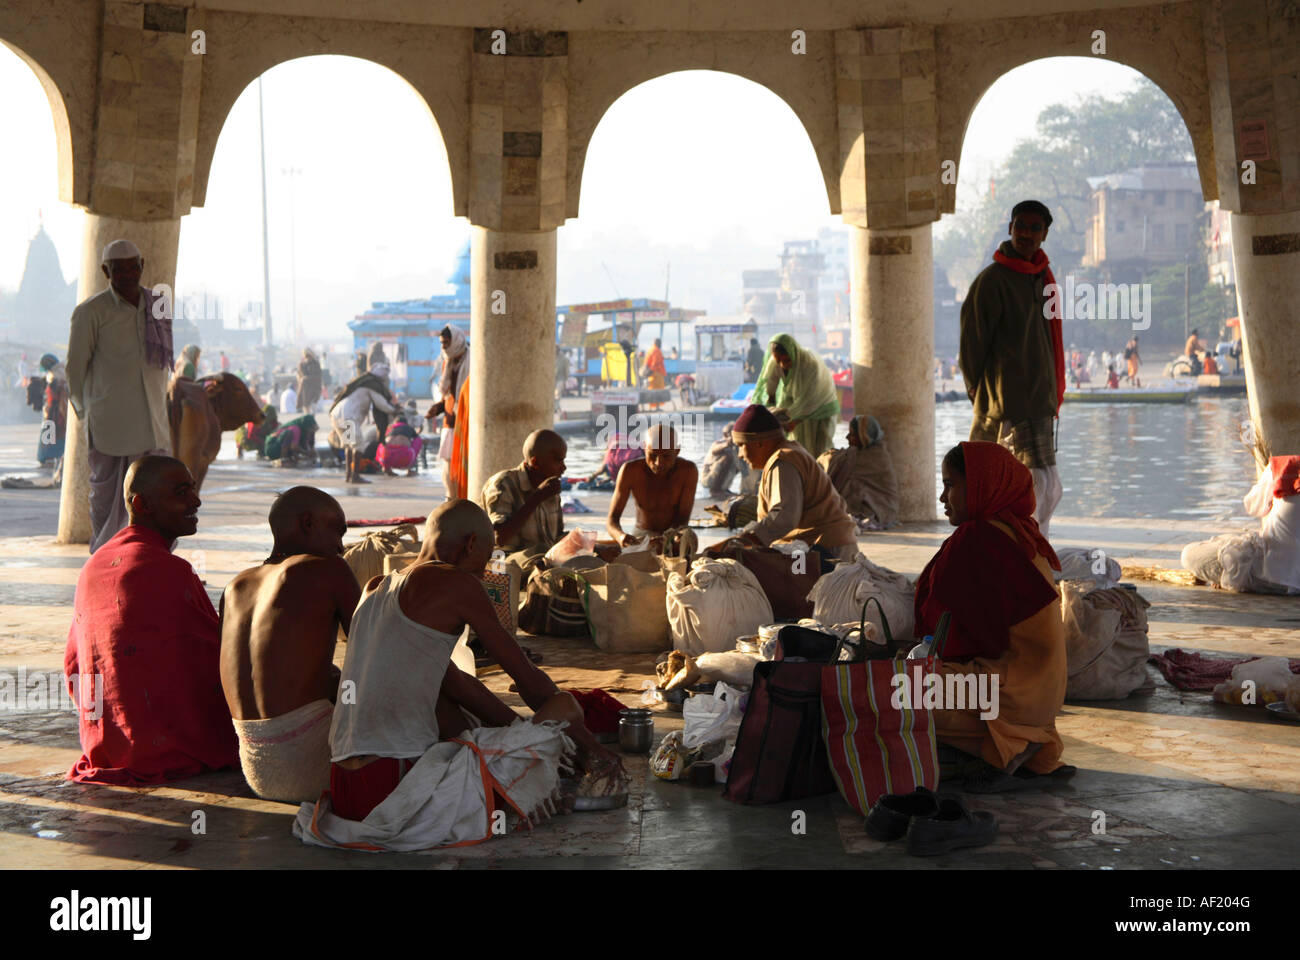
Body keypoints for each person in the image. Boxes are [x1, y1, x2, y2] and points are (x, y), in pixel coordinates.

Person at [323, 500, 623, 826]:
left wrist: (522, 733)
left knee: (459, 713)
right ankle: (518, 790)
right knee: (565, 707)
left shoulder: (375, 588)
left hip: (348, 790)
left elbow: (459, 685)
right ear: (470, 544)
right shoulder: (456, 582)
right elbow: (528, 680)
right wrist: (582, 744)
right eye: (487, 555)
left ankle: (519, 767)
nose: (485, 569)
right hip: (395, 784)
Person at [64, 455, 238, 784]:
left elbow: (74, 665)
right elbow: (217, 662)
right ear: (142, 504)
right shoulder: (171, 571)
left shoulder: (95, 565)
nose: (195, 501)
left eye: (193, 490)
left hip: (107, 745)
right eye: (181, 492)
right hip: (168, 748)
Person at [915, 441, 1072, 792]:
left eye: (951, 485)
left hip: (1010, 696)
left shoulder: (978, 540)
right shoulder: (1018, 531)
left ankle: (1001, 746)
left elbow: (959, 641)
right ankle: (1014, 742)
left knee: (894, 694)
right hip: (1040, 698)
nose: (943, 498)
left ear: (982, 485)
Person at [220, 487, 360, 803]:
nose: (340, 547)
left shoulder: (235, 586)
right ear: (307, 523)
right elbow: (375, 648)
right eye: (337, 532)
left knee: (335, 674)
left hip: (256, 771)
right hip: (315, 769)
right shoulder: (328, 568)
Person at [958, 199, 1065, 537]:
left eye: (1035, 228)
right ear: (1009, 228)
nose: (1026, 234)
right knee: (999, 483)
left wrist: (1053, 390)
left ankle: (1033, 548)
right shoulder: (992, 281)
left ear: (1045, 234)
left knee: (1044, 485)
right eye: (1021, 225)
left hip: (1039, 401)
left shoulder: (1044, 278)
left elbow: (1051, 340)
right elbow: (972, 343)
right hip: (1004, 403)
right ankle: (998, 549)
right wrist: (978, 391)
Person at [66, 239, 173, 553]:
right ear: (105, 271)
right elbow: (74, 369)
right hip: (110, 426)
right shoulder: (90, 312)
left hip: (154, 423)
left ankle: (153, 560)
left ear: (141, 266)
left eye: (132, 267)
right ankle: (106, 561)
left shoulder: (158, 304)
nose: (127, 274)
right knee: (107, 500)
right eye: (118, 269)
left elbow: (164, 361)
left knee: (159, 498)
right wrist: (87, 416)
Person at [725, 404, 858, 563]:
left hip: (825, 552)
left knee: (801, 585)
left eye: (741, 445)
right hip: (821, 546)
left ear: (760, 443)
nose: (740, 455)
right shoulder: (790, 452)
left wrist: (743, 540)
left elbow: (784, 517)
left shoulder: (783, 462)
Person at [1180, 456, 1300, 595]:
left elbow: (1252, 506)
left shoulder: (1284, 466)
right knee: (1230, 542)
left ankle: (1226, 575)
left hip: (1271, 578)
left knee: (1189, 554)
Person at [479, 428, 568, 570]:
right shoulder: (503, 484)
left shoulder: (550, 489)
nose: (564, 468)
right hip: (503, 564)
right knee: (541, 556)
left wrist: (591, 547)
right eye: (558, 461)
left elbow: (556, 538)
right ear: (535, 462)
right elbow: (499, 538)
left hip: (544, 560)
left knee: (587, 562)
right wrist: (537, 498)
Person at [605, 423, 698, 548]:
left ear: (677, 451)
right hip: (642, 535)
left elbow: (683, 520)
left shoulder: (688, 471)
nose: (658, 463)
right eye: (653, 455)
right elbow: (611, 521)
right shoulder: (629, 470)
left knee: (689, 540)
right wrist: (621, 536)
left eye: (666, 456)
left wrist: (674, 537)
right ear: (644, 448)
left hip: (673, 535)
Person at [750, 333, 840, 459]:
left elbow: (810, 400)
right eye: (778, 360)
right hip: (796, 407)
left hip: (822, 406)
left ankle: (824, 478)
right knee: (801, 450)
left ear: (793, 354)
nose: (782, 365)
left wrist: (791, 422)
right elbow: (770, 387)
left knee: (822, 452)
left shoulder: (809, 364)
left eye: (786, 360)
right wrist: (770, 414)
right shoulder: (775, 362)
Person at [817, 414, 900, 530]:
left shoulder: (874, 457)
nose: (847, 437)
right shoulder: (856, 454)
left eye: (852, 434)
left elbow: (839, 460)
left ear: (864, 436)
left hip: (879, 511)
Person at [330, 364, 396, 484]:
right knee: (359, 446)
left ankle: (348, 474)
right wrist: (395, 410)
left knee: (349, 445)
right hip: (348, 417)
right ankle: (355, 476)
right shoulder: (372, 386)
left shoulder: (360, 384)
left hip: (338, 414)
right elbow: (382, 405)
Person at [427, 325, 470, 500]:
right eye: (441, 343)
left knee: (464, 463)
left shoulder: (471, 361)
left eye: (446, 343)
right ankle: (451, 499)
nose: (443, 347)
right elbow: (448, 395)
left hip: (466, 419)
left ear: (456, 341)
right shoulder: (448, 362)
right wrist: (437, 409)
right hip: (450, 420)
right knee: (448, 465)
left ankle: (463, 500)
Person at [36, 354, 68, 474]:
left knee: (50, 435)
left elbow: (56, 393)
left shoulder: (55, 374)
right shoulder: (61, 370)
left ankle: (49, 460)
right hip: (57, 410)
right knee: (56, 435)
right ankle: (55, 459)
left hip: (54, 411)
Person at [702, 420, 744, 498]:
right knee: (728, 457)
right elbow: (715, 450)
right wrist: (727, 444)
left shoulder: (736, 446)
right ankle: (716, 491)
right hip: (709, 480)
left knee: (741, 461)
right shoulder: (718, 443)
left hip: (721, 481)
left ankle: (724, 489)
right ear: (725, 434)